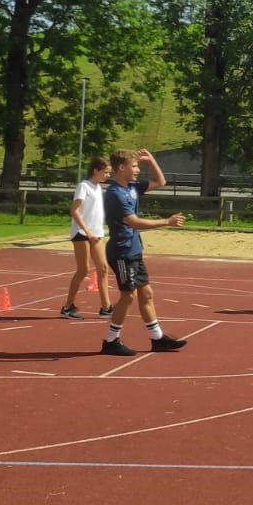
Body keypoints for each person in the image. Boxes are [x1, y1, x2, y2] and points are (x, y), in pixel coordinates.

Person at [100, 148, 187, 356]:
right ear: (121, 168)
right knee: (127, 296)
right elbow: (134, 222)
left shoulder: (132, 187)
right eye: (134, 166)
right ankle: (111, 341)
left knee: (146, 293)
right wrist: (167, 221)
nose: (138, 170)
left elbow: (160, 182)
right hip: (121, 251)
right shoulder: (114, 193)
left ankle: (158, 339)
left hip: (134, 249)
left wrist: (151, 161)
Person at [60, 156, 114, 320]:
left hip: (96, 233)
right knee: (83, 270)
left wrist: (96, 231)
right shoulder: (83, 186)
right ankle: (68, 307)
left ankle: (106, 307)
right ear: (96, 170)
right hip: (82, 234)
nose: (107, 175)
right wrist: (87, 231)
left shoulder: (98, 188)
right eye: (105, 172)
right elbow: (75, 211)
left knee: (103, 268)